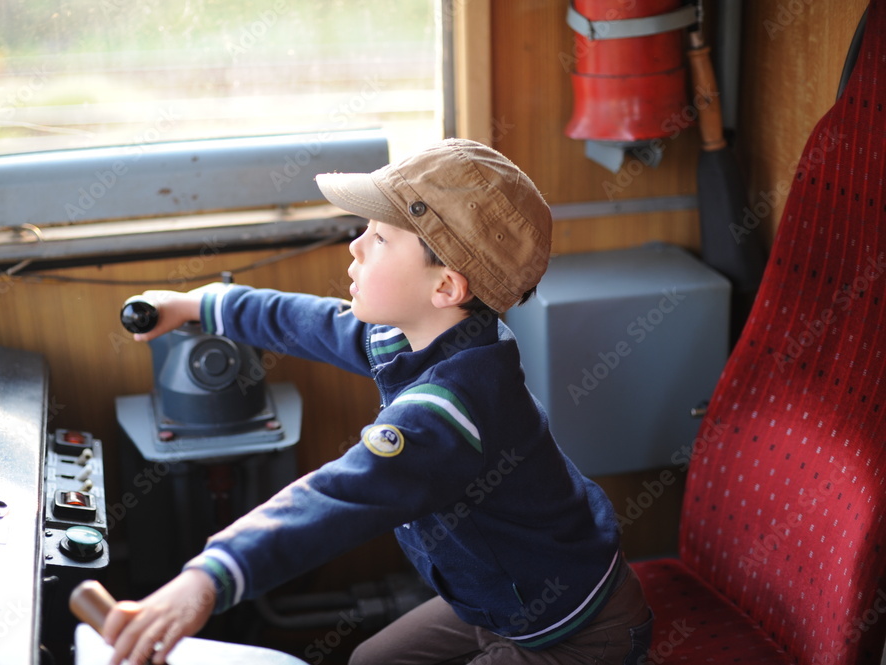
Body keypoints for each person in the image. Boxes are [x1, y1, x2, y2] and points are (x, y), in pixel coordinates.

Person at [103, 138, 653, 665]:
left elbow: (341, 496)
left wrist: (210, 577)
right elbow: (310, 324)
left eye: (382, 238)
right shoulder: (427, 336)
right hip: (503, 595)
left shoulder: (451, 412)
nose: (356, 245)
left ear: (446, 287)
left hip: (574, 631)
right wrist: (200, 304)